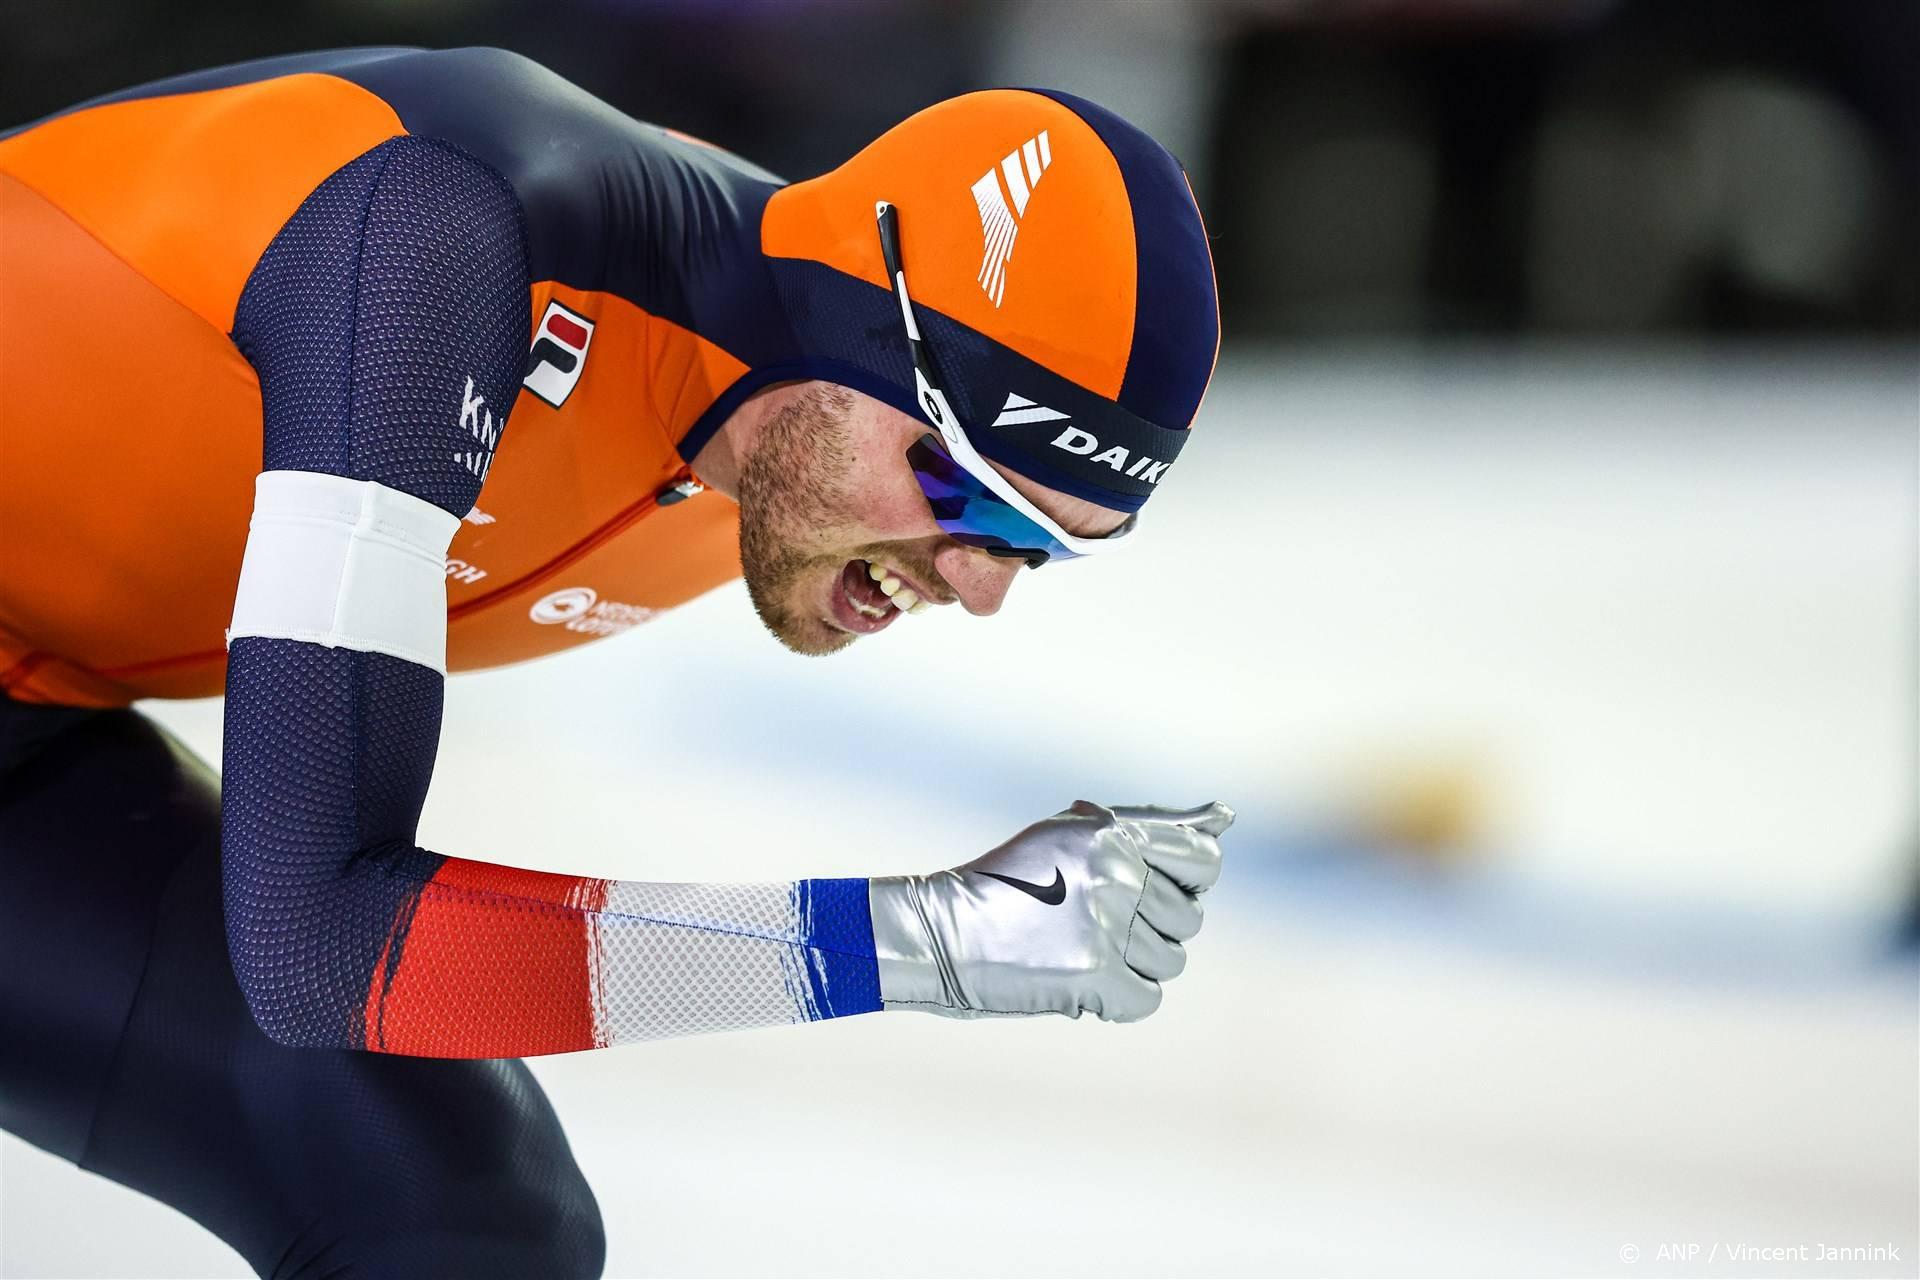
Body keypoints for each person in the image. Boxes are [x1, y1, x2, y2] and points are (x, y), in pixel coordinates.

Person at [0, 46, 1231, 1277]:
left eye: (1044, 547)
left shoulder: (782, 436)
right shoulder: (445, 230)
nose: (978, 585)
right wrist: (918, 938)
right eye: (966, 490)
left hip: (37, 711)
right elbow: (319, 944)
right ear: (856, 326)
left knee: (463, 1217)